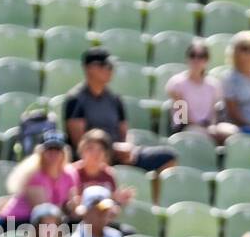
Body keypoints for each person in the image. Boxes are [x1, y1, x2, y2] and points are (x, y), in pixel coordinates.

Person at [62, 48, 176, 200]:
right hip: (93, 154)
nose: (110, 70)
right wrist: (110, 149)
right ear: (89, 68)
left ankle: (154, 204)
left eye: (111, 67)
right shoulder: (75, 100)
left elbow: (123, 131)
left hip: (117, 153)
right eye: (105, 66)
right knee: (94, 153)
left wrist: (127, 149)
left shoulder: (115, 99)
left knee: (168, 157)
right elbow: (80, 143)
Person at [0, 131, 77, 225]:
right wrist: (66, 209)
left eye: (57, 150)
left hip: (45, 223)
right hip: (14, 222)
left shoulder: (69, 173)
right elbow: (43, 211)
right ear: (41, 152)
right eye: (49, 149)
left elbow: (72, 204)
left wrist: (74, 207)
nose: (53, 153)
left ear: (64, 153)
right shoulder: (34, 174)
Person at [166, 39, 236, 142]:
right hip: (184, 127)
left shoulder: (213, 85)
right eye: (192, 55)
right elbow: (182, 116)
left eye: (201, 56)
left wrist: (211, 127)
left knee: (232, 132)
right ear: (187, 58)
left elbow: (213, 114)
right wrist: (203, 128)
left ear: (206, 60)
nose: (196, 60)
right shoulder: (176, 83)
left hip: (207, 126)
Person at [64, 129, 135, 214]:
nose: (95, 153)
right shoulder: (71, 172)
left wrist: (118, 200)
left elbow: (111, 205)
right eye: (90, 149)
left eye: (100, 149)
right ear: (81, 150)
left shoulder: (109, 174)